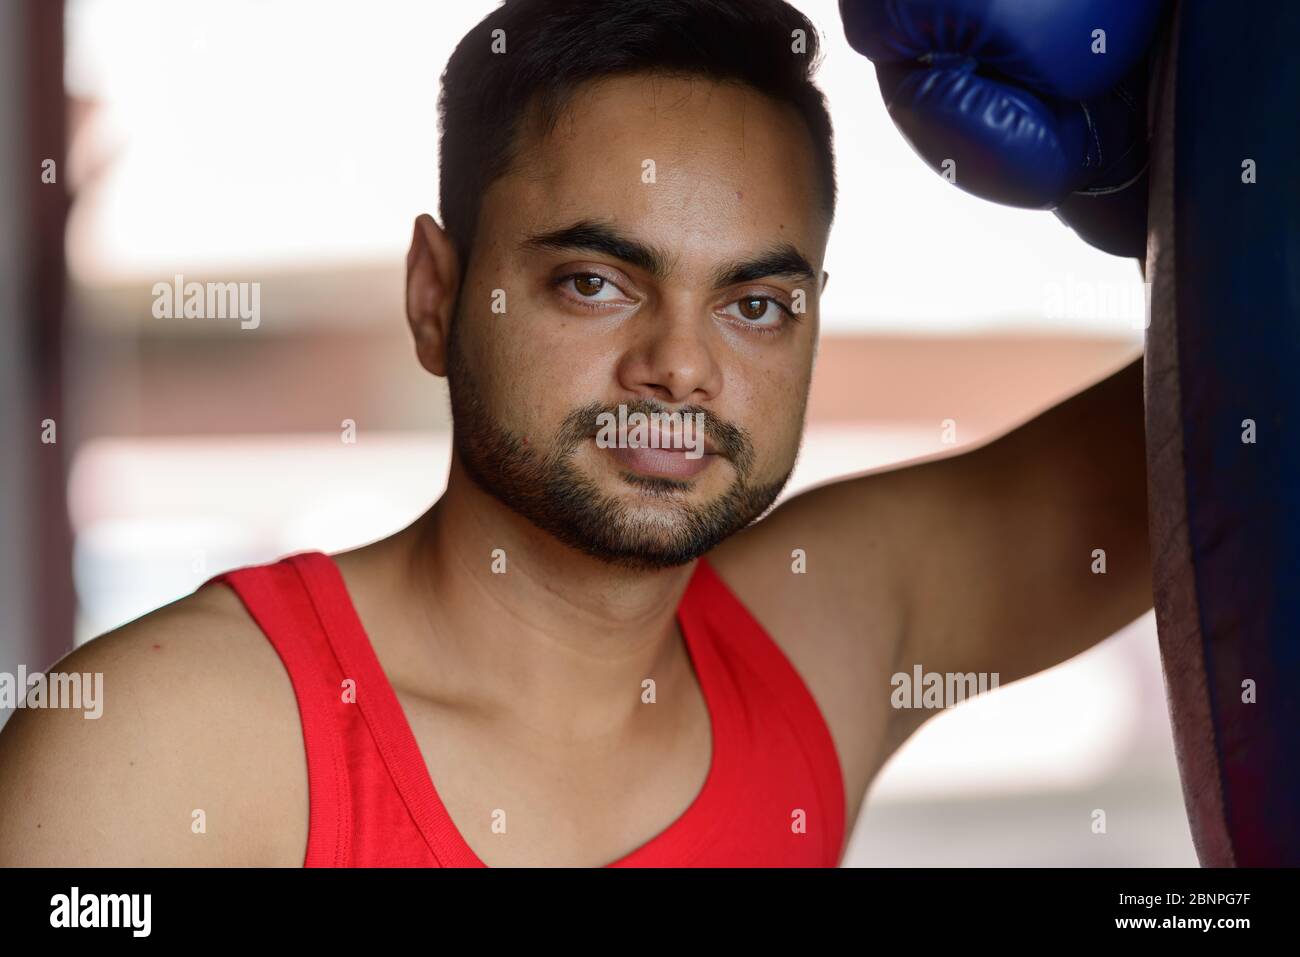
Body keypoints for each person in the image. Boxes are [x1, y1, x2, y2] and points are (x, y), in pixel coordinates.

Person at [0, 0, 1150, 867]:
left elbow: (1219, 449)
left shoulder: (829, 637)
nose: (682, 367)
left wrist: (1200, 135)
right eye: (596, 282)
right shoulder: (166, 756)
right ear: (436, 299)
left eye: (755, 305)